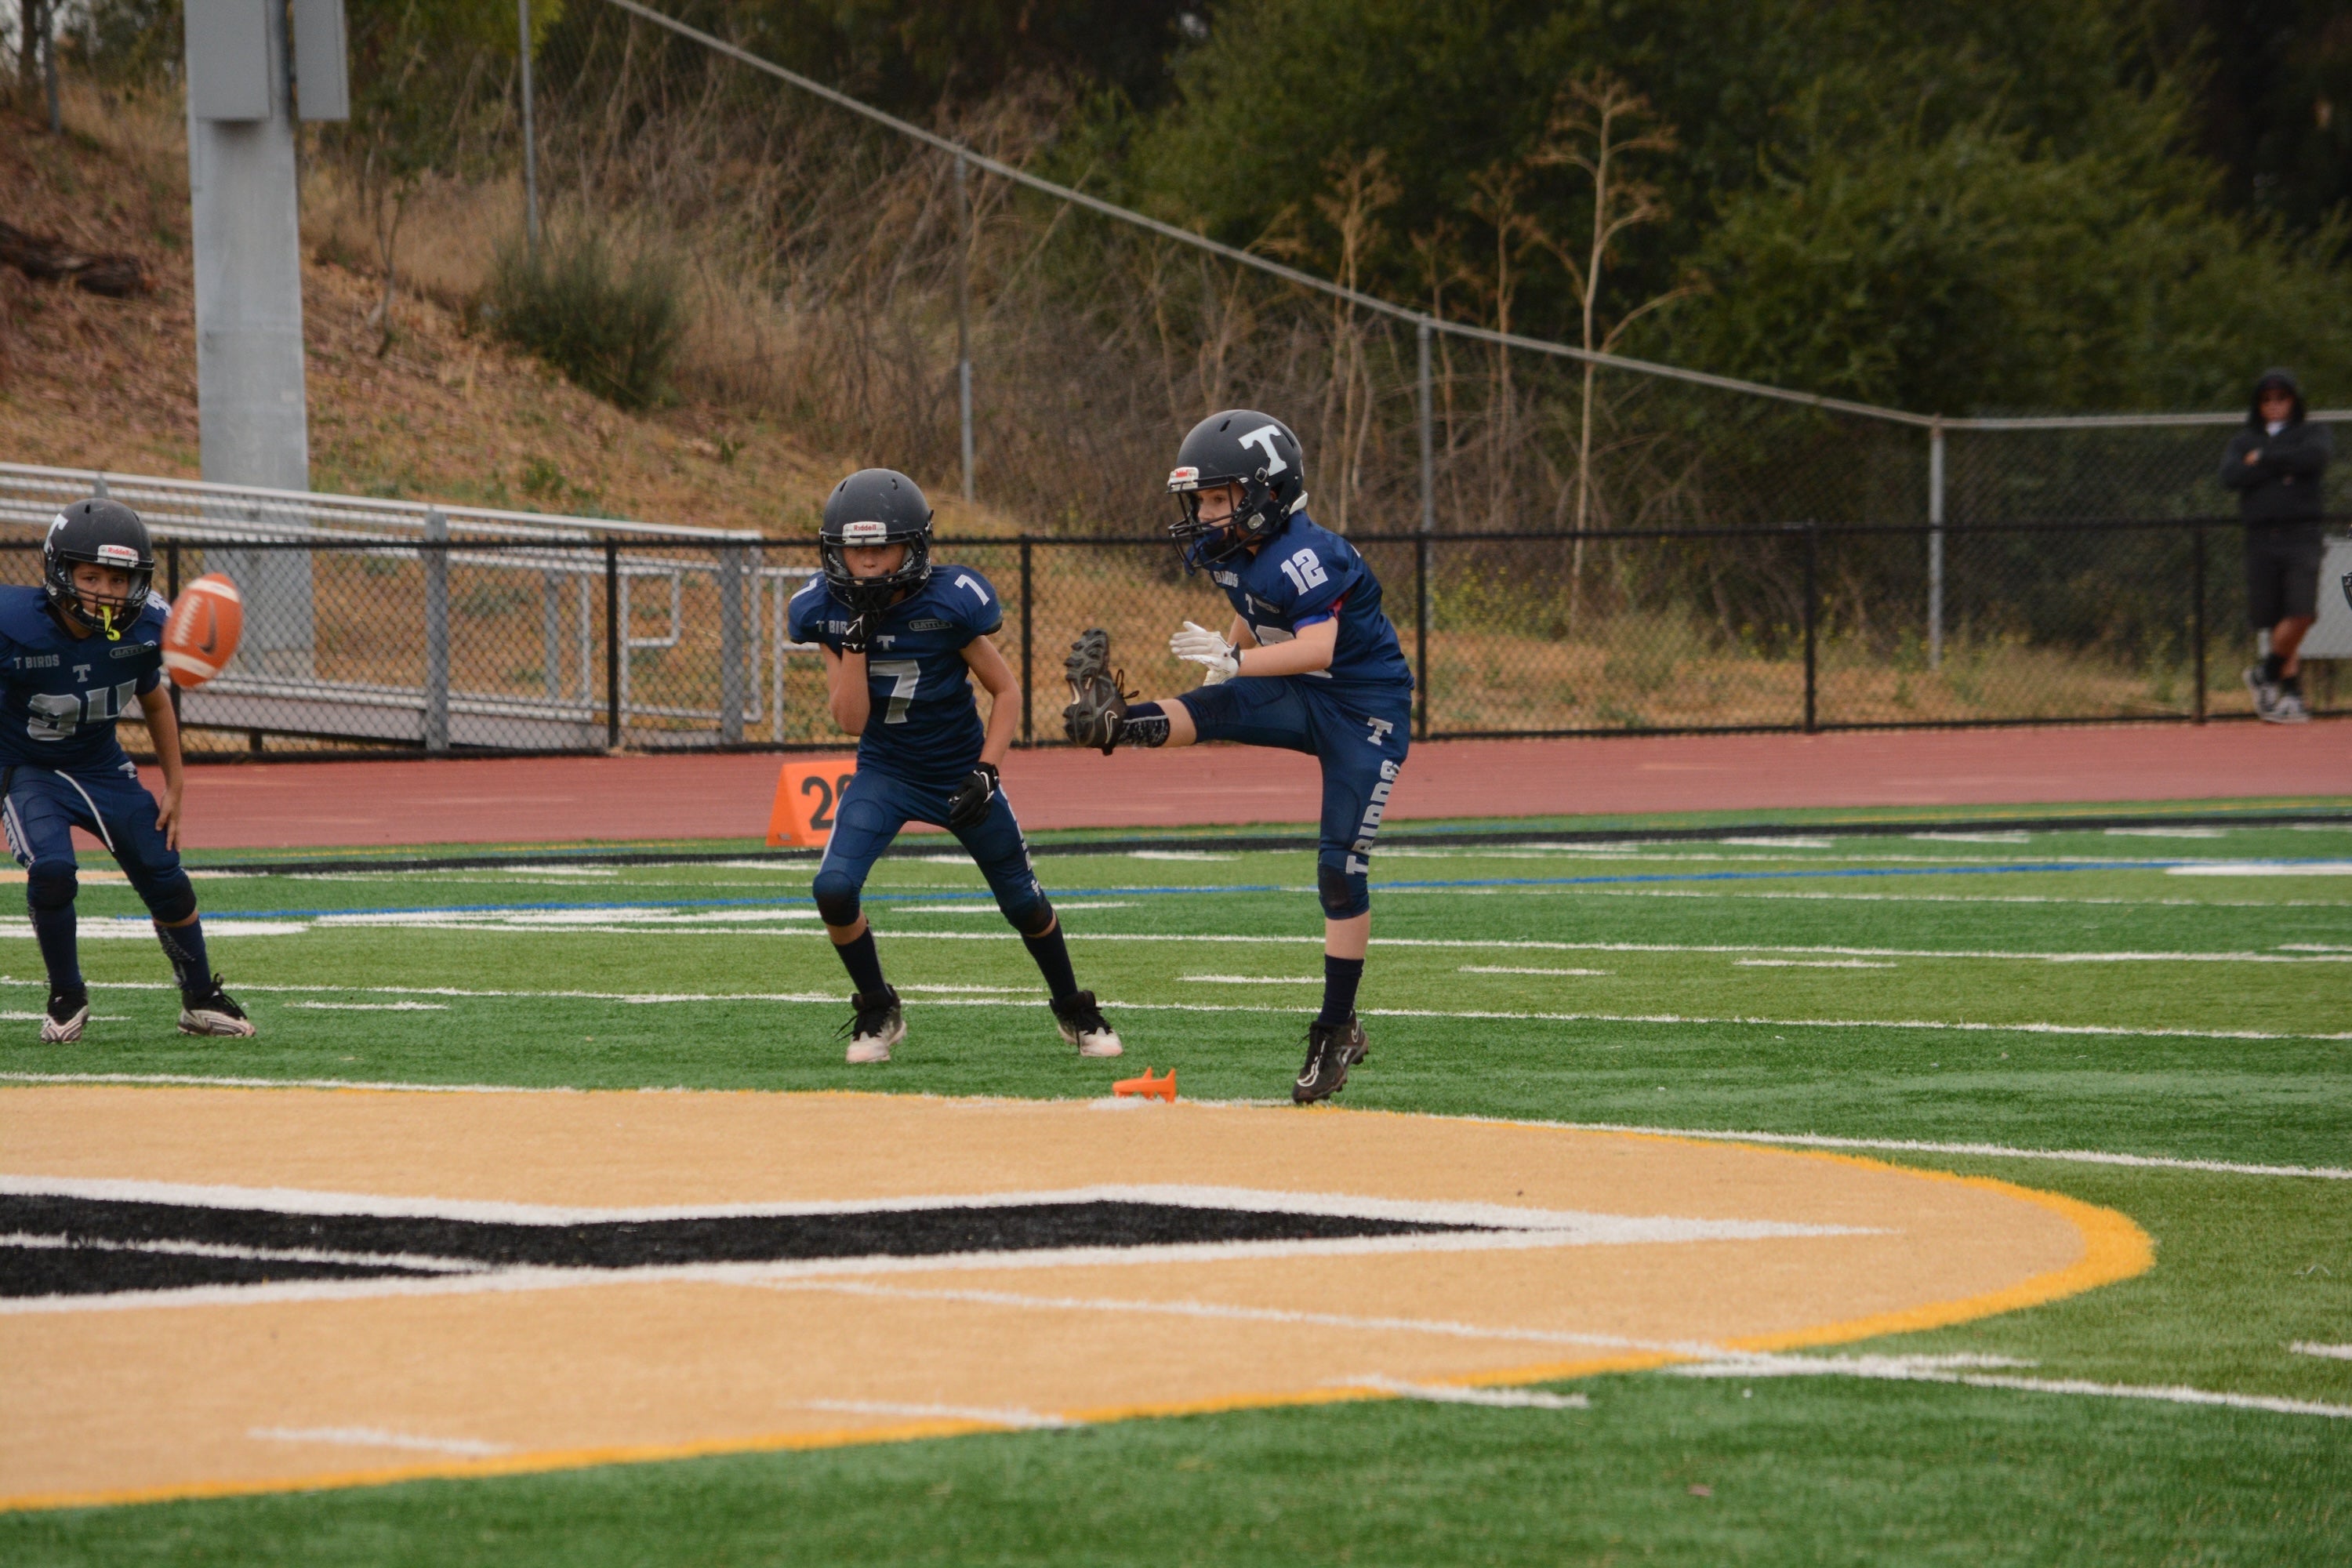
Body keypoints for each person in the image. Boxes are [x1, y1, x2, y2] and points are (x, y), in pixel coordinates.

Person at [1062, 411, 1413, 1104]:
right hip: (1302, 692)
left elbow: (1318, 648)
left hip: (1364, 711)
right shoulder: (1238, 553)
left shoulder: (1309, 553)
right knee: (1213, 704)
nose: (1205, 513)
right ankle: (1119, 723)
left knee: (1338, 871)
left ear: (1266, 494)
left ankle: (1337, 1027)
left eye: (1219, 499)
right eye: (1201, 501)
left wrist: (1235, 659)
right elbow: (1253, 607)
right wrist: (1225, 669)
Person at [787, 467, 1122, 1064]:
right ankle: (876, 1006)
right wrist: (857, 644)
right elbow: (850, 721)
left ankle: (1074, 1007)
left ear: (912, 546)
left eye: (880, 546)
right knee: (833, 888)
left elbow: (1008, 692)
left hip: (959, 772)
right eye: (855, 548)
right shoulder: (825, 610)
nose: (865, 562)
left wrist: (988, 770)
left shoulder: (948, 601)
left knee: (1024, 904)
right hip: (886, 773)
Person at [4, 499, 253, 1042]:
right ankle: (66, 995)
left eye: (118, 580)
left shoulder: (147, 628)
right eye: (89, 576)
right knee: (52, 869)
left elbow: (155, 700)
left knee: (163, 872)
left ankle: (199, 997)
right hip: (28, 768)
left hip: (99, 763)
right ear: (58, 570)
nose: (103, 592)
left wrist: (177, 781)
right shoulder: (13, 625)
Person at [2223, 368, 2333, 722]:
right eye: (2267, 400)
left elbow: (2314, 458)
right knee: (2276, 617)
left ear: (2293, 401)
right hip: (2261, 538)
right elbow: (2231, 476)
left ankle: (2264, 674)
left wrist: (2265, 459)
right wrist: (2279, 465)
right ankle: (2290, 695)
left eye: (2281, 398)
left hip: (2301, 535)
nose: (2274, 405)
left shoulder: (2311, 433)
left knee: (2301, 613)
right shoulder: (2244, 440)